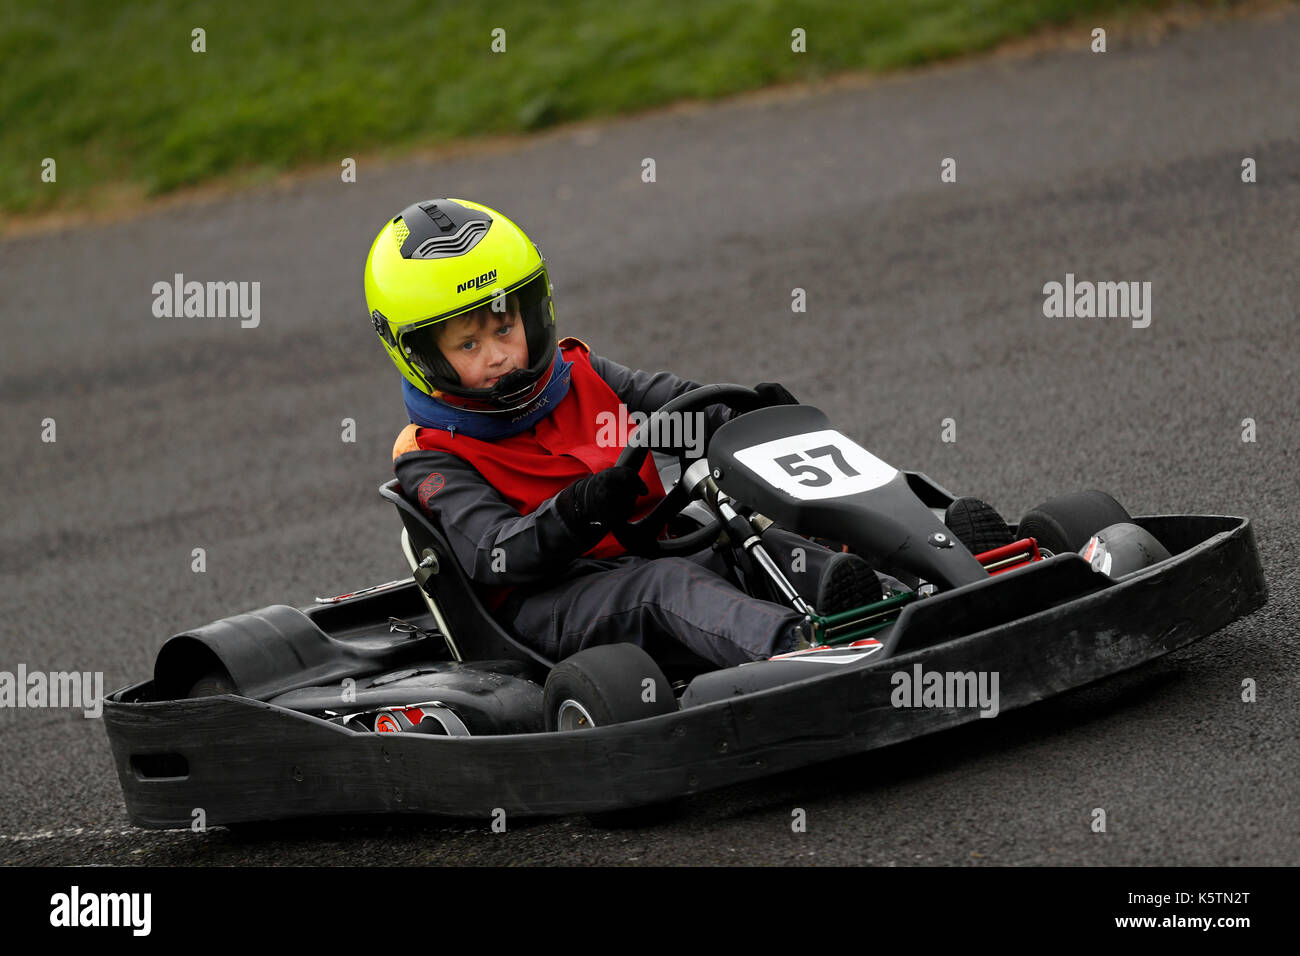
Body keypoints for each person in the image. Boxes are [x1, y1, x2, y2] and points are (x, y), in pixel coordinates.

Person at [365, 198, 893, 669]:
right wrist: (574, 513)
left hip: (647, 550)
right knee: (665, 586)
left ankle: (893, 599)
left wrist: (742, 418)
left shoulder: (578, 375)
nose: (499, 354)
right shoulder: (433, 453)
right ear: (421, 356)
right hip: (553, 602)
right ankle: (801, 650)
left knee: (744, 536)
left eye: (504, 328)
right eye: (469, 345)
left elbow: (676, 411)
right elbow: (493, 552)